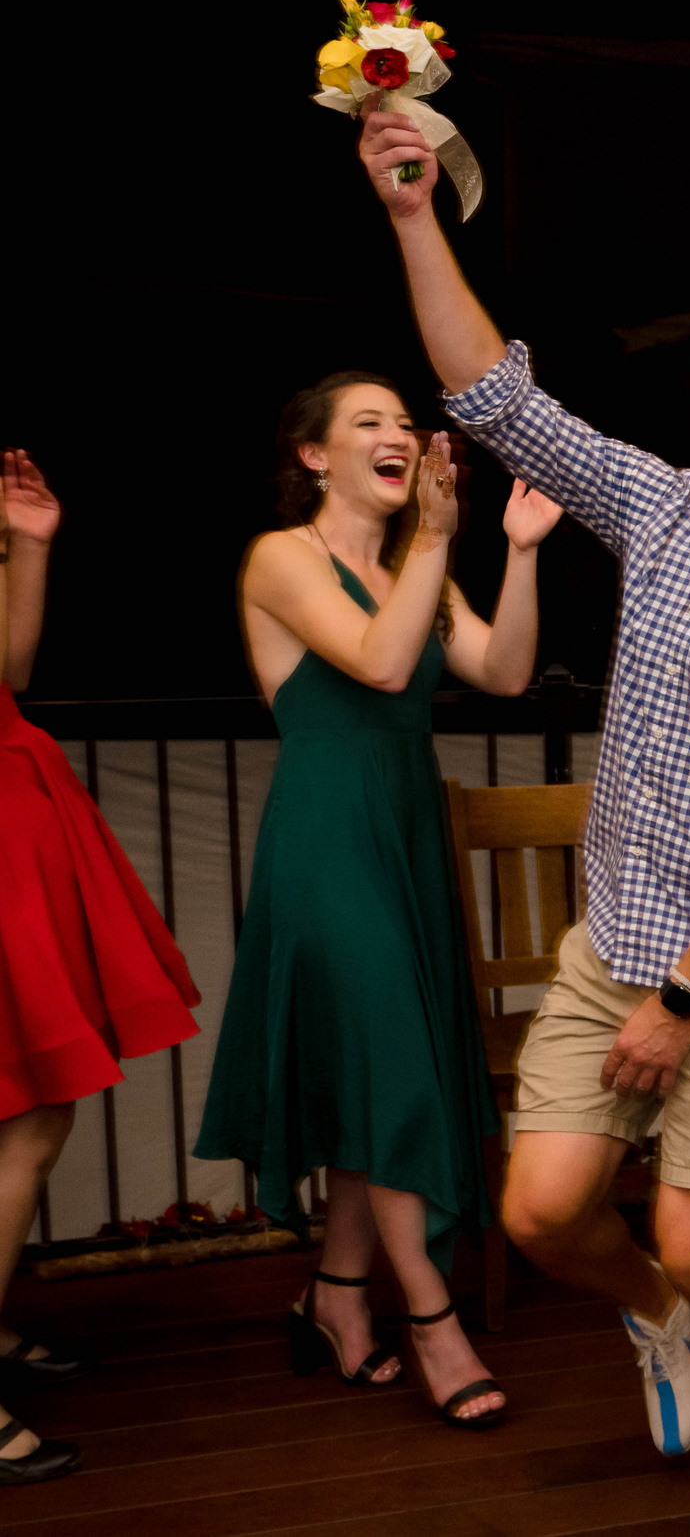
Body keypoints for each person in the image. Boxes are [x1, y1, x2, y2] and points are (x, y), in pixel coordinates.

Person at [361, 105, 690, 1533]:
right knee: (540, 1216)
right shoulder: (659, 509)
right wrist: (416, 215)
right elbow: (494, 396)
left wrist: (680, 998)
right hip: (624, 944)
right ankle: (657, 1319)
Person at [196, 377, 559, 1431]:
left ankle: (337, 1297)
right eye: (370, 422)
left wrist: (521, 550)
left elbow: (503, 668)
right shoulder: (282, 558)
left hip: (402, 836)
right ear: (314, 456)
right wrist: (438, 542)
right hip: (326, 843)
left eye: (406, 422)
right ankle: (434, 1317)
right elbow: (381, 658)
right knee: (391, 1066)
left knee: (375, 1069)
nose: (399, 435)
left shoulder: (414, 566)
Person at [0, 451, 202, 1486]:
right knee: (25, 1117)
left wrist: (29, 546)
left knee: (33, 1109)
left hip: (16, 798)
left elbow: (10, 670)